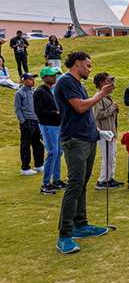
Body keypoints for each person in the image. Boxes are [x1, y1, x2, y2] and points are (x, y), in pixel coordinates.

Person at [53, 51, 114, 254]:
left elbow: (86, 113)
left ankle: (81, 225)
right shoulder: (66, 81)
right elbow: (79, 108)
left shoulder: (78, 84)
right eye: (87, 65)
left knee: (82, 185)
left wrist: (98, 131)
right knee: (75, 185)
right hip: (75, 140)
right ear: (77, 63)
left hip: (88, 138)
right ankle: (64, 236)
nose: (90, 69)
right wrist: (101, 94)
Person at [34, 67, 65, 195]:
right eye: (52, 75)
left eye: (55, 75)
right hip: (48, 125)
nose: (54, 77)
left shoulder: (54, 90)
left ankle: (56, 180)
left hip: (58, 125)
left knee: (58, 152)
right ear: (44, 77)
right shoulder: (40, 92)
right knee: (52, 152)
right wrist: (56, 113)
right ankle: (45, 183)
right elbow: (39, 111)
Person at [93, 73, 124, 190]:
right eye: (108, 81)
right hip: (103, 132)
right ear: (101, 83)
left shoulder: (106, 97)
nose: (111, 83)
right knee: (107, 157)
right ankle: (102, 181)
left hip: (109, 131)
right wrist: (113, 108)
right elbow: (98, 115)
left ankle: (109, 178)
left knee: (112, 156)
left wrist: (115, 109)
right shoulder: (98, 97)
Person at [15, 72, 44, 177]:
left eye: (33, 79)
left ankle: (39, 164)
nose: (33, 81)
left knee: (38, 143)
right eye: (30, 79)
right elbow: (17, 109)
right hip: (26, 121)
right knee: (26, 145)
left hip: (36, 120)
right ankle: (25, 167)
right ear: (23, 81)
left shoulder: (35, 91)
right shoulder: (19, 93)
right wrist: (22, 121)